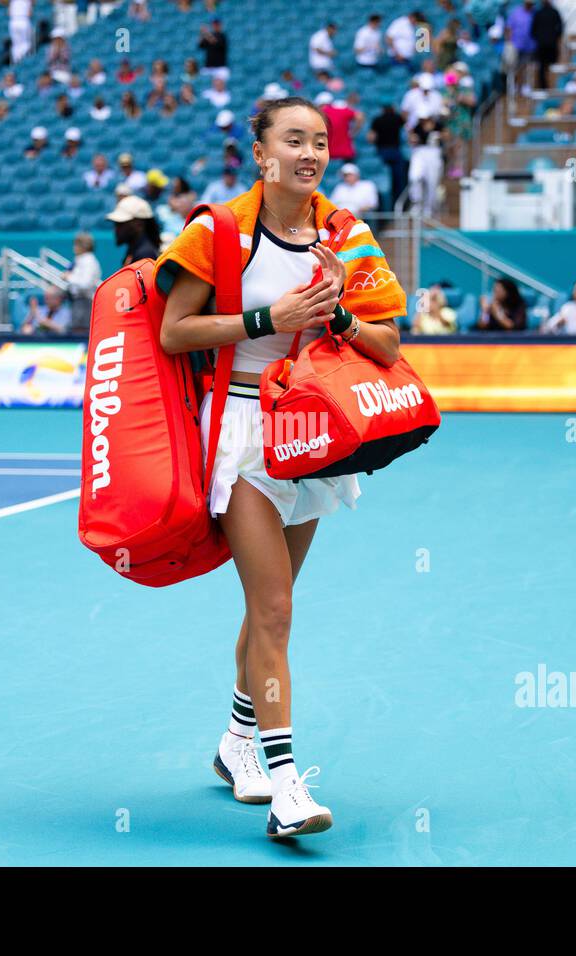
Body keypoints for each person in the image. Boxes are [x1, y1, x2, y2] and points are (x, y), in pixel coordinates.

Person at [153, 94, 407, 837]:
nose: (310, 152)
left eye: (320, 141)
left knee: (274, 602)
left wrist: (336, 313)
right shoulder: (218, 230)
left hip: (314, 432)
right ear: (260, 154)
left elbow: (389, 345)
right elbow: (175, 331)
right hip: (240, 430)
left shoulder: (346, 233)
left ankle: (236, 745)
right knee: (275, 610)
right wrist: (271, 319)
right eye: (293, 140)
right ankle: (288, 784)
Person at [106, 194, 159, 265]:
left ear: (138, 224)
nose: (115, 230)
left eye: (121, 224)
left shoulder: (145, 255)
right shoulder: (133, 251)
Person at [530, 0, 564, 93]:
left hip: (544, 45)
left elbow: (533, 31)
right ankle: (550, 88)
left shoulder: (539, 13)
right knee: (549, 67)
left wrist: (540, 39)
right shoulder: (553, 12)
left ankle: (546, 88)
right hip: (549, 45)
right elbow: (560, 28)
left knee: (544, 67)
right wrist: (554, 37)